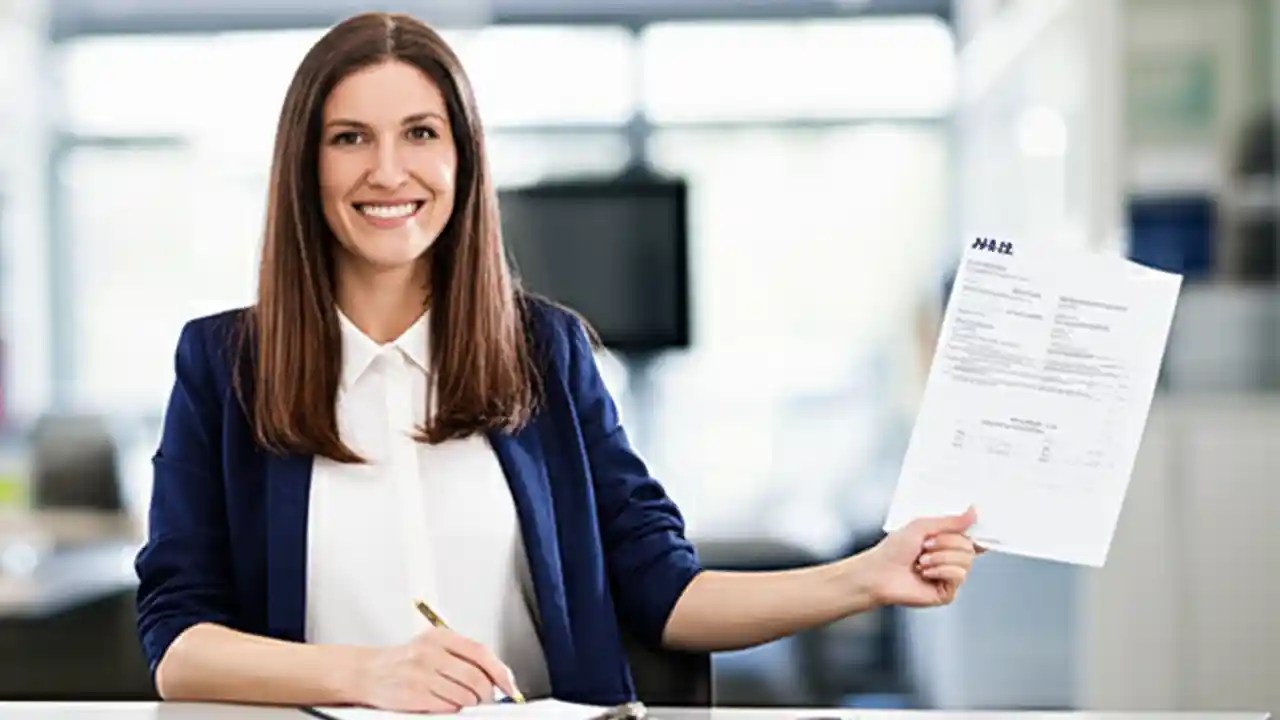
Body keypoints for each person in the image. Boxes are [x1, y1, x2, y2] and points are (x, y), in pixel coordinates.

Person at [135, 11, 982, 714]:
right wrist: (366, 673)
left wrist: (868, 577)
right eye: (349, 137)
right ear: (304, 165)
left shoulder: (545, 353)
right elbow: (179, 645)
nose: (387, 170)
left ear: (462, 159)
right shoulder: (224, 364)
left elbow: (665, 591)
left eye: (420, 133)